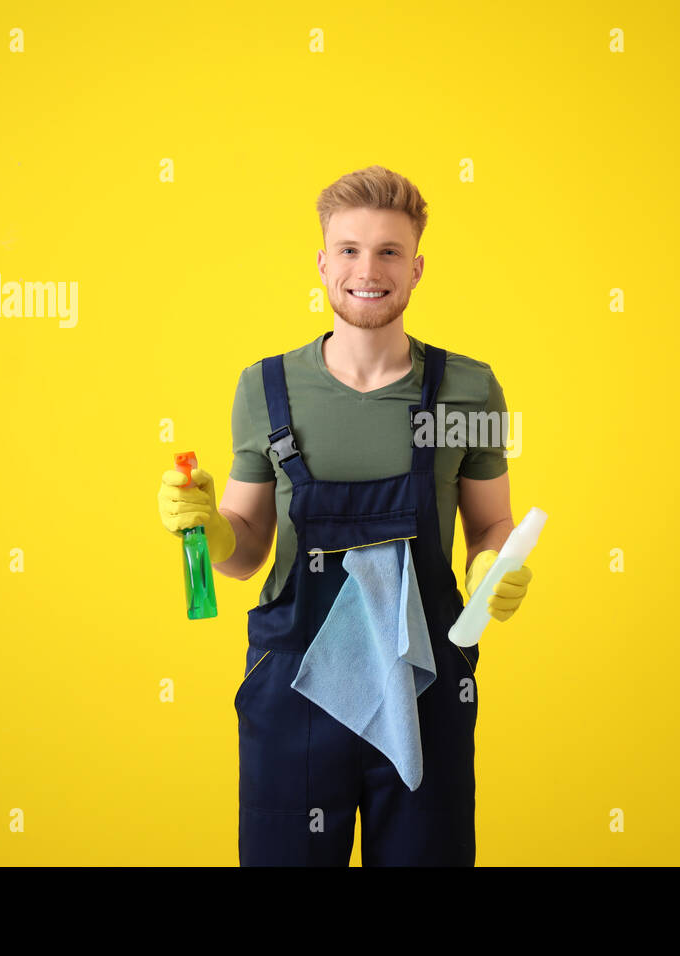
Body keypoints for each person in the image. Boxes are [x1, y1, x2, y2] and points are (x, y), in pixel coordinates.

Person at [156, 165, 533, 865]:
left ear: (416, 268)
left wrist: (491, 563)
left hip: (424, 684)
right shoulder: (266, 387)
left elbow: (491, 524)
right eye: (351, 250)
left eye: (390, 251)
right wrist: (205, 528)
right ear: (323, 264)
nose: (369, 269)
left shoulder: (469, 390)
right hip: (292, 686)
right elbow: (243, 555)